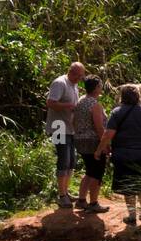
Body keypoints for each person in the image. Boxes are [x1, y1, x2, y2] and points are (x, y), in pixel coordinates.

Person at [97, 85, 141, 232]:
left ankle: (132, 216)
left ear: (123, 97)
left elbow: (108, 135)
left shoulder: (117, 113)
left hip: (122, 156)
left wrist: (99, 150)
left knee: (128, 187)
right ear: (138, 96)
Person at [45, 61, 84, 208]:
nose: (80, 79)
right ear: (71, 72)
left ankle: (65, 192)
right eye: (78, 76)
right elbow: (50, 102)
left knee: (72, 161)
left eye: (81, 77)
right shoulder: (59, 83)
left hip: (69, 127)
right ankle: (61, 196)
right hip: (58, 127)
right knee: (64, 160)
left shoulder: (73, 85)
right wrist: (68, 106)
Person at [72, 76, 109, 213]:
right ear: (95, 88)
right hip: (93, 142)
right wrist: (104, 144)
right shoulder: (95, 104)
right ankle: (93, 203)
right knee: (97, 173)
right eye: (100, 86)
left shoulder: (81, 100)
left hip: (80, 140)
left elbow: (74, 120)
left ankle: (81, 200)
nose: (101, 88)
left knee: (89, 170)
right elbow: (99, 127)